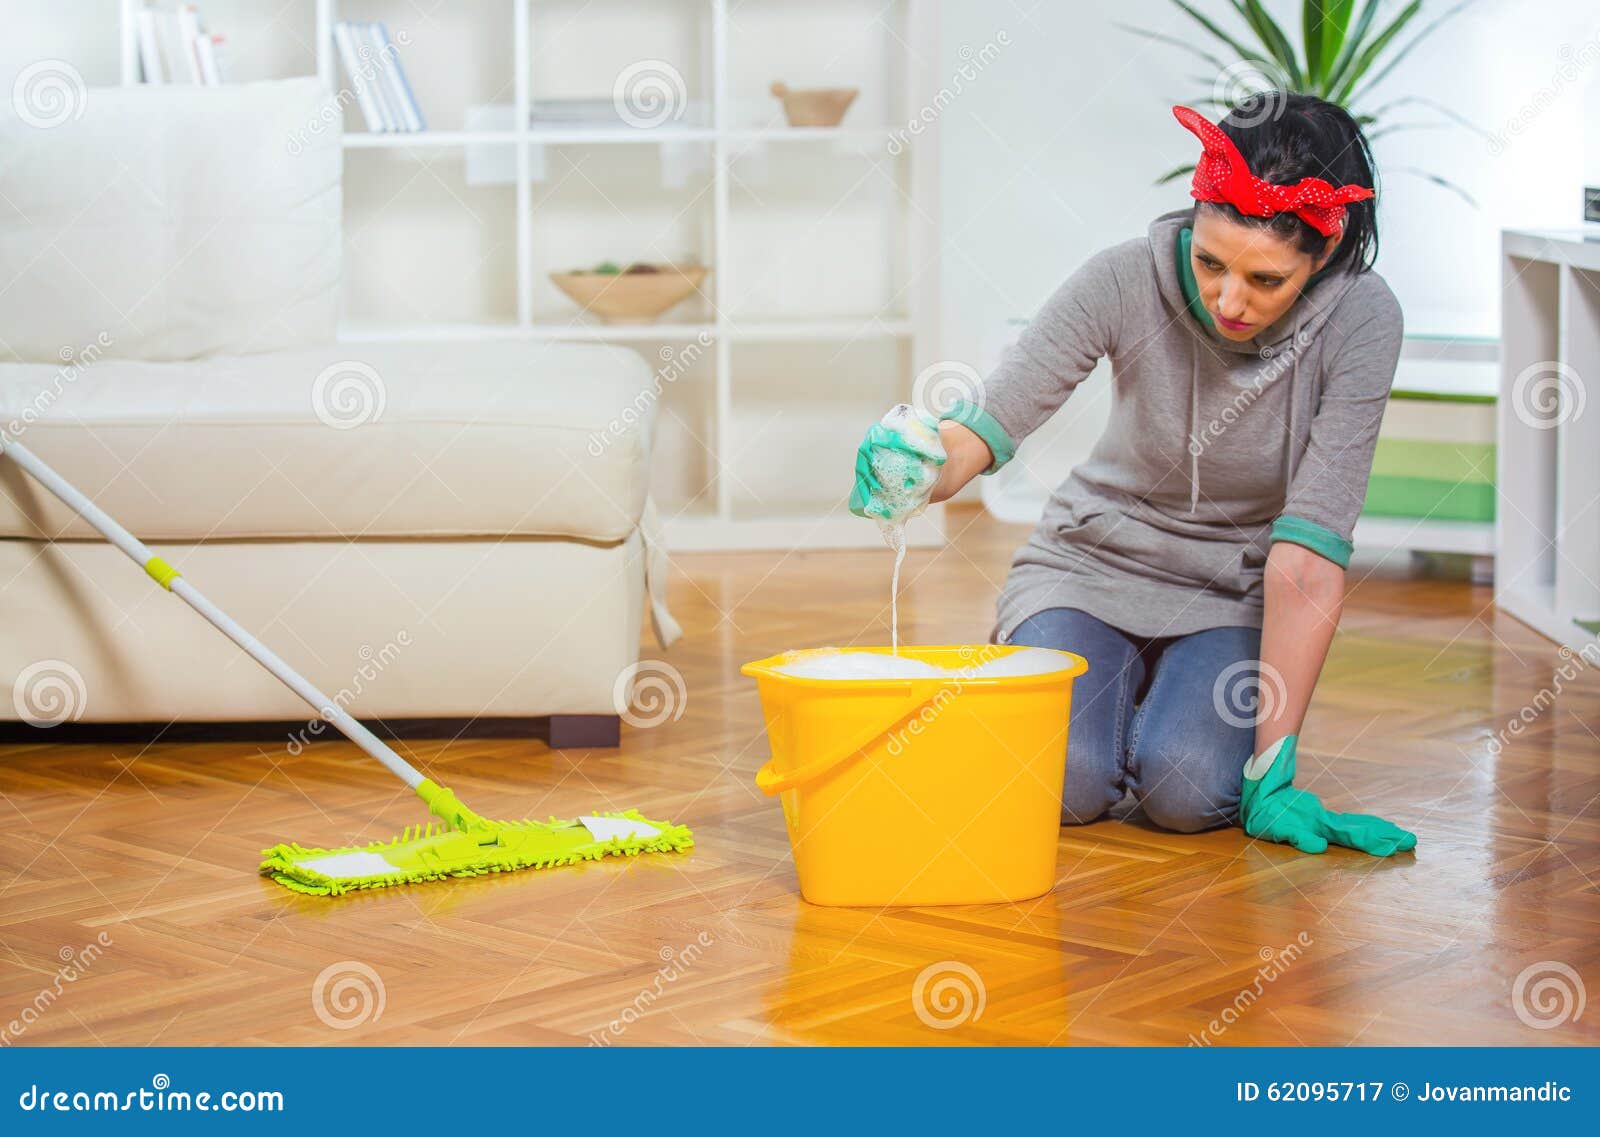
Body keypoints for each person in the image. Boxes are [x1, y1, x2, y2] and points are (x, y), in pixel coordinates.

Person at [850, 94, 1416, 857]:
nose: (1229, 300)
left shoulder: (1364, 318)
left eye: (1265, 279)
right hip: (1089, 567)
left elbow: (1309, 557)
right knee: (1065, 782)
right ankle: (1088, 685)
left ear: (1324, 252)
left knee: (1189, 791)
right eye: (1210, 262)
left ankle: (1147, 703)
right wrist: (917, 461)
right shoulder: (1122, 278)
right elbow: (986, 425)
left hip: (1233, 592)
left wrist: (1272, 768)